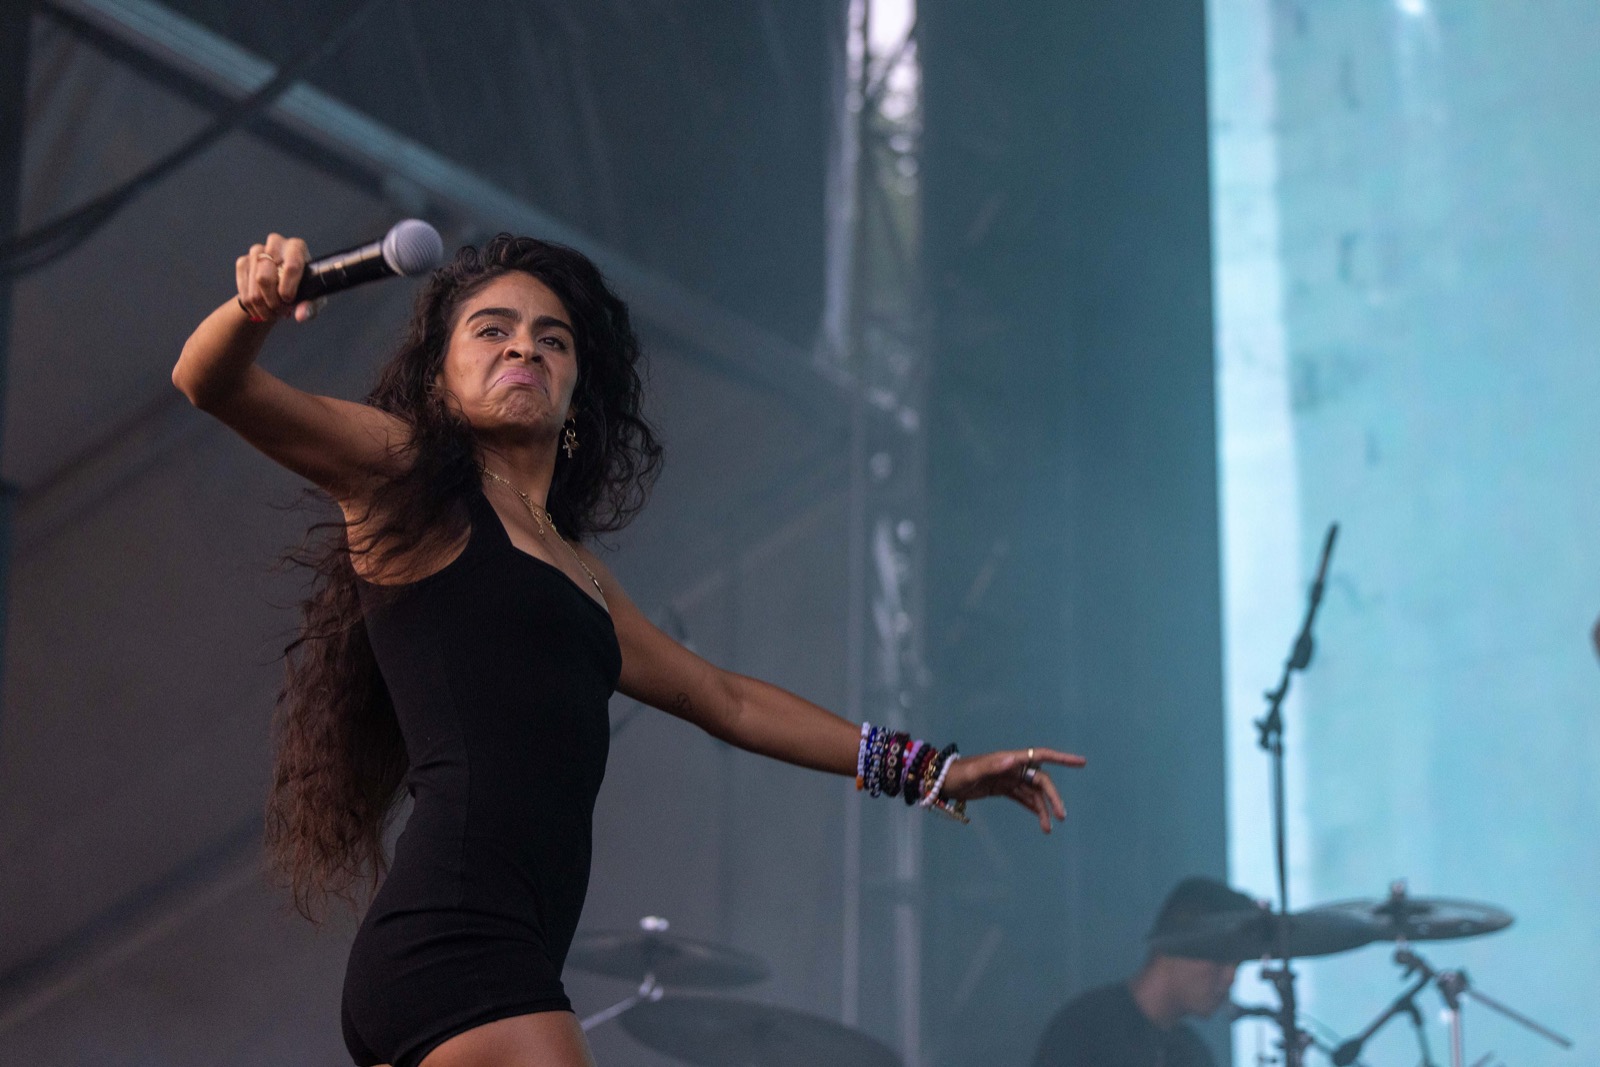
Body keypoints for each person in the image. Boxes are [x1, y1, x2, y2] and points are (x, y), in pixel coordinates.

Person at [172, 231, 1086, 1067]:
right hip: (454, 942)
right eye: (490, 331)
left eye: (551, 338)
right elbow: (208, 382)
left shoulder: (582, 580)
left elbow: (726, 699)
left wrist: (931, 771)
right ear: (440, 380)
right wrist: (254, 305)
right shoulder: (406, 481)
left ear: (576, 393)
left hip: (496, 955)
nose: (523, 346)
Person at [1031, 877, 1255, 1067]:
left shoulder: (1194, 1054)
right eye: (1218, 958)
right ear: (1175, 944)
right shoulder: (1085, 1031)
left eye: (1237, 964)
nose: (1230, 977)